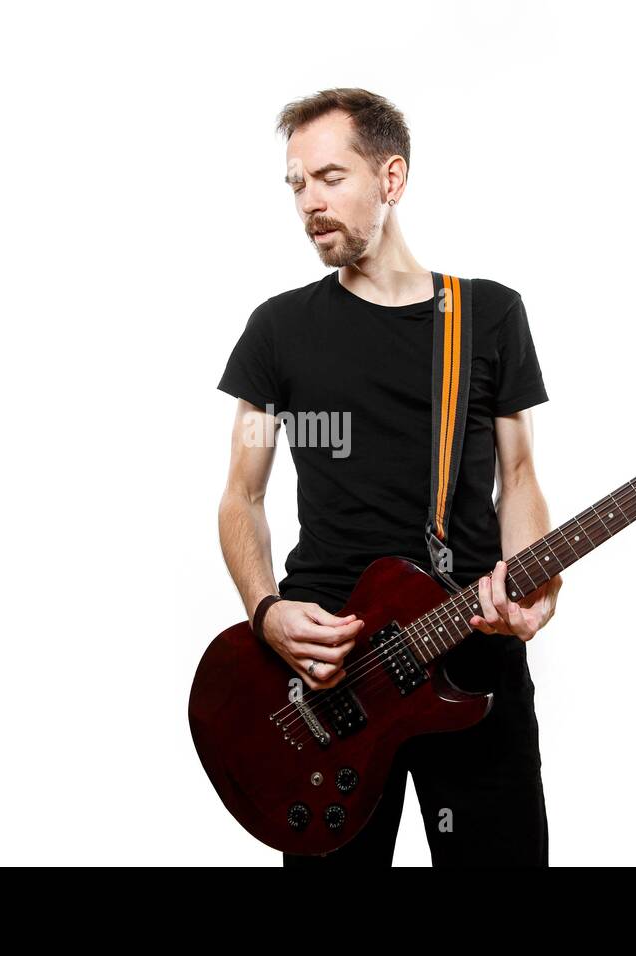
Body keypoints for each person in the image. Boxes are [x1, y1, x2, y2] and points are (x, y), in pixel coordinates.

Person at [216, 88, 562, 866]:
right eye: (296, 184)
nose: (309, 201)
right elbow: (241, 494)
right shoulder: (278, 329)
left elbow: (521, 473)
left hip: (471, 648)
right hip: (328, 675)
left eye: (330, 177)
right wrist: (265, 610)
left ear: (392, 177)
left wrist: (533, 584)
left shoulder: (489, 315)